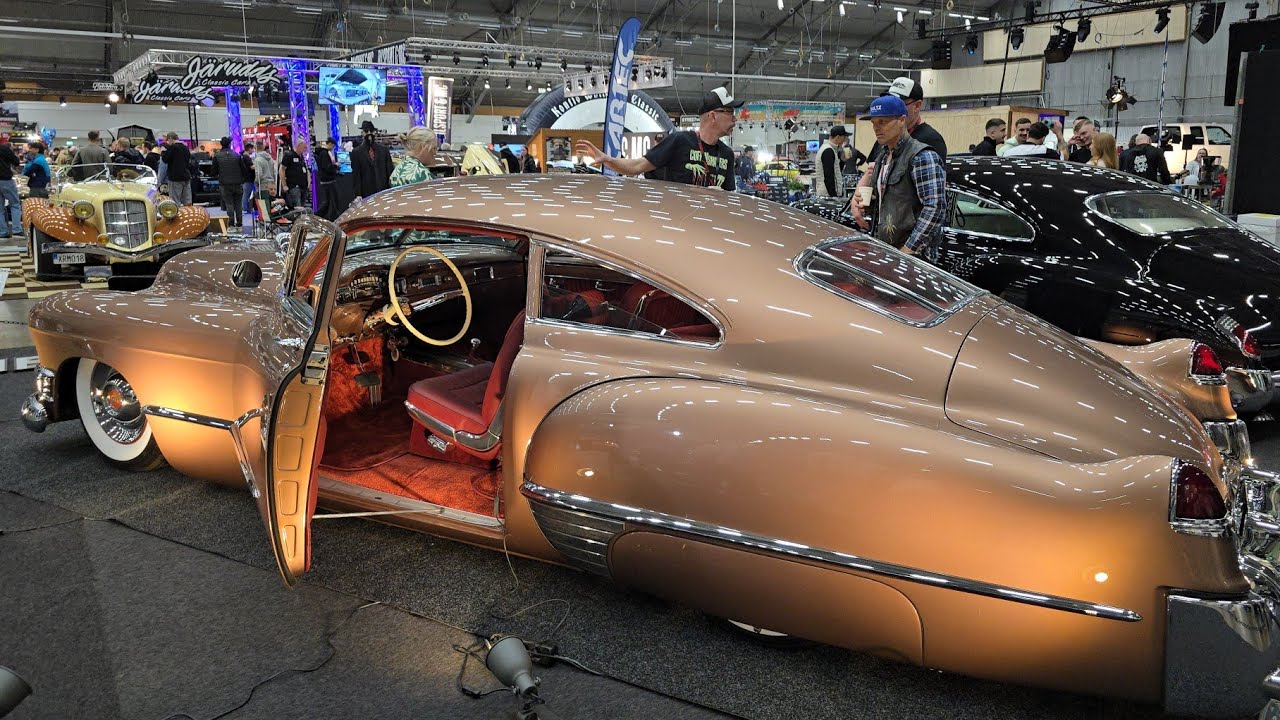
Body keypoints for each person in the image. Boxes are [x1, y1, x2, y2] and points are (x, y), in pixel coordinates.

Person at [574, 86, 742, 189]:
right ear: (713, 115)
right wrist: (606, 159)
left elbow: (730, 195)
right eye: (730, 113)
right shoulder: (680, 141)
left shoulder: (726, 154)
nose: (735, 119)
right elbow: (637, 166)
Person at [853, 94, 946, 262]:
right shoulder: (882, 156)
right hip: (887, 250)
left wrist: (909, 249)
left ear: (902, 120)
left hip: (915, 258)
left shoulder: (922, 156)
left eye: (883, 122)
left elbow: (935, 207)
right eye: (874, 123)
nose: (876, 128)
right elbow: (888, 202)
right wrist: (867, 203)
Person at [211, 137, 251, 229]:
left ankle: (231, 222)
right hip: (237, 183)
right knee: (238, 203)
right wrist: (242, 180)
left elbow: (213, 172)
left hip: (225, 184)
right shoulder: (237, 155)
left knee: (229, 203)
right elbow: (244, 170)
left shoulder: (217, 156)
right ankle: (240, 222)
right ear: (229, 145)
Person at [351, 120, 393, 199]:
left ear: (375, 132)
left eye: (372, 131)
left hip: (384, 190)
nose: (369, 133)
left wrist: (391, 189)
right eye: (366, 131)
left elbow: (389, 170)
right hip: (366, 192)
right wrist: (358, 194)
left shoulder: (384, 150)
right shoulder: (356, 152)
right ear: (362, 133)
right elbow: (356, 174)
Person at [814, 125, 850, 198]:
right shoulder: (828, 150)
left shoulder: (829, 149)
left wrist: (843, 161)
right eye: (844, 137)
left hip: (827, 194)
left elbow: (835, 172)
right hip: (827, 195)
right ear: (838, 137)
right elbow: (829, 176)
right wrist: (834, 196)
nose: (845, 140)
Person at [161, 133, 193, 206]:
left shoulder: (173, 147)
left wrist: (163, 152)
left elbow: (165, 159)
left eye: (168, 140)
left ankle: (176, 217)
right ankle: (188, 215)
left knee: (175, 201)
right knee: (187, 201)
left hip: (175, 178)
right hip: (186, 176)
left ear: (170, 139)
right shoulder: (185, 147)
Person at [314, 138, 340, 220]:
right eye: (333, 146)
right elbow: (327, 167)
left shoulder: (321, 153)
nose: (333, 148)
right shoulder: (324, 154)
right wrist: (336, 166)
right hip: (328, 181)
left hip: (325, 180)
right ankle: (316, 216)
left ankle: (319, 217)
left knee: (328, 202)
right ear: (330, 144)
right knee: (330, 201)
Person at [278, 141, 309, 209]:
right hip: (294, 187)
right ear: (298, 146)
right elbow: (282, 170)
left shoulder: (301, 157)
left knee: (302, 207)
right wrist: (284, 185)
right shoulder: (289, 155)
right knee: (297, 208)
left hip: (303, 187)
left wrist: (308, 183)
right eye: (304, 147)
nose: (306, 149)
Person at [0, 140, 21, 239]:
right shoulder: (4, 148)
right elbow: (16, 161)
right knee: (15, 204)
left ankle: (3, 231)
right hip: (6, 180)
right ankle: (16, 229)